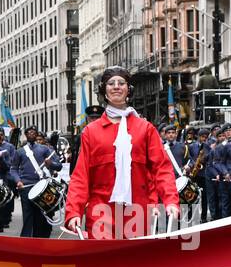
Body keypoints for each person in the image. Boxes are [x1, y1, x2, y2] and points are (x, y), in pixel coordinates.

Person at [64, 66, 177, 239]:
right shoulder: (91, 132)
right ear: (104, 90)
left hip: (138, 210)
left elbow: (161, 168)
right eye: (111, 83)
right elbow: (81, 176)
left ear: (128, 90)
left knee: (135, 263)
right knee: (104, 263)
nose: (116, 86)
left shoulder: (145, 129)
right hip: (101, 212)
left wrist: (170, 201)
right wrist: (73, 211)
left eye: (121, 83)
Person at [10, 124, 62, 238]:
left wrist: (51, 164)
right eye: (29, 133)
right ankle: (26, 240)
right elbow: (13, 169)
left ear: (37, 134)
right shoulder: (20, 151)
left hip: (41, 187)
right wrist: (18, 181)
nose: (31, 134)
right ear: (26, 135)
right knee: (27, 216)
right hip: (26, 187)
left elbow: (58, 166)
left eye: (34, 133)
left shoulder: (44, 149)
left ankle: (40, 239)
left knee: (41, 216)